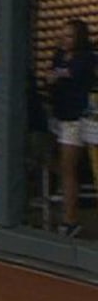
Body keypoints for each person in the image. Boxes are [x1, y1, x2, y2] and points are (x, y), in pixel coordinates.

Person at [45, 17, 94, 237]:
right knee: (58, 164)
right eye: (62, 35)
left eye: (69, 35)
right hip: (59, 116)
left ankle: (70, 219)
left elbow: (74, 79)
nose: (64, 39)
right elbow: (49, 79)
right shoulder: (58, 56)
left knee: (68, 169)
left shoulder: (86, 58)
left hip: (77, 119)